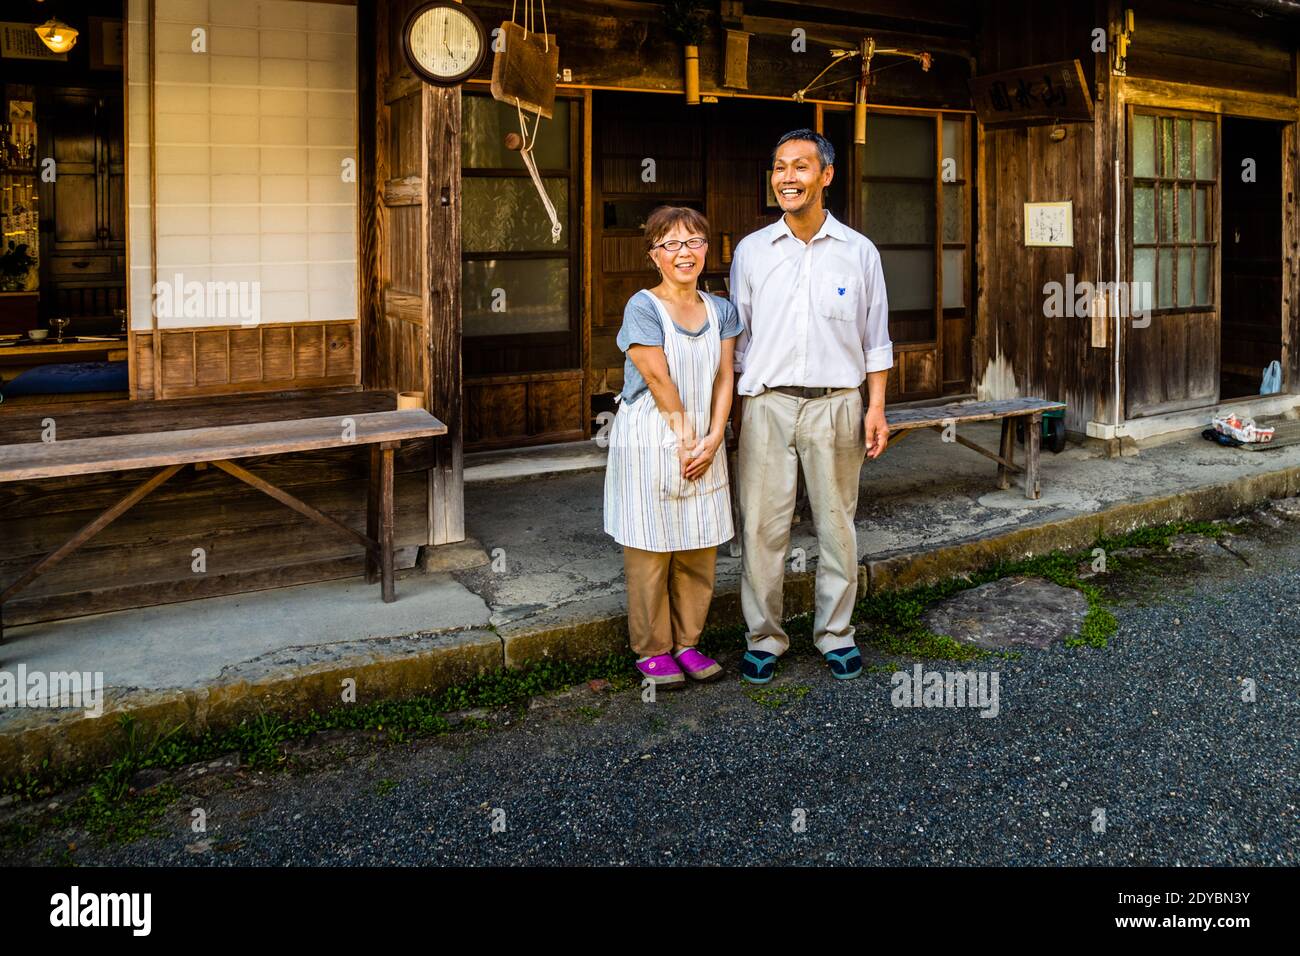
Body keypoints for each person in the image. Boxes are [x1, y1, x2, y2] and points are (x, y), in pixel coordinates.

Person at [729, 129, 893, 684]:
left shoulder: (858, 253)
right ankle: (764, 637)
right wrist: (732, 413)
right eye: (779, 167)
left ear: (827, 175)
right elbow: (739, 343)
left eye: (801, 166)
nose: (787, 177)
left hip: (838, 405)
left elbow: (875, 340)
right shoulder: (751, 252)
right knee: (761, 527)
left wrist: (876, 407)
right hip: (768, 406)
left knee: (836, 524)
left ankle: (835, 632)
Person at [604, 206, 744, 689]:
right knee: (650, 547)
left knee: (699, 544)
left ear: (706, 249)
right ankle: (652, 649)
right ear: (654, 256)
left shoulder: (721, 309)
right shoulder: (643, 306)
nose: (684, 253)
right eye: (670, 244)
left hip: (705, 434)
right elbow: (657, 377)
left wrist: (713, 437)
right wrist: (687, 438)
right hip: (652, 436)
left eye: (693, 242)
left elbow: (726, 376)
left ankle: (689, 642)